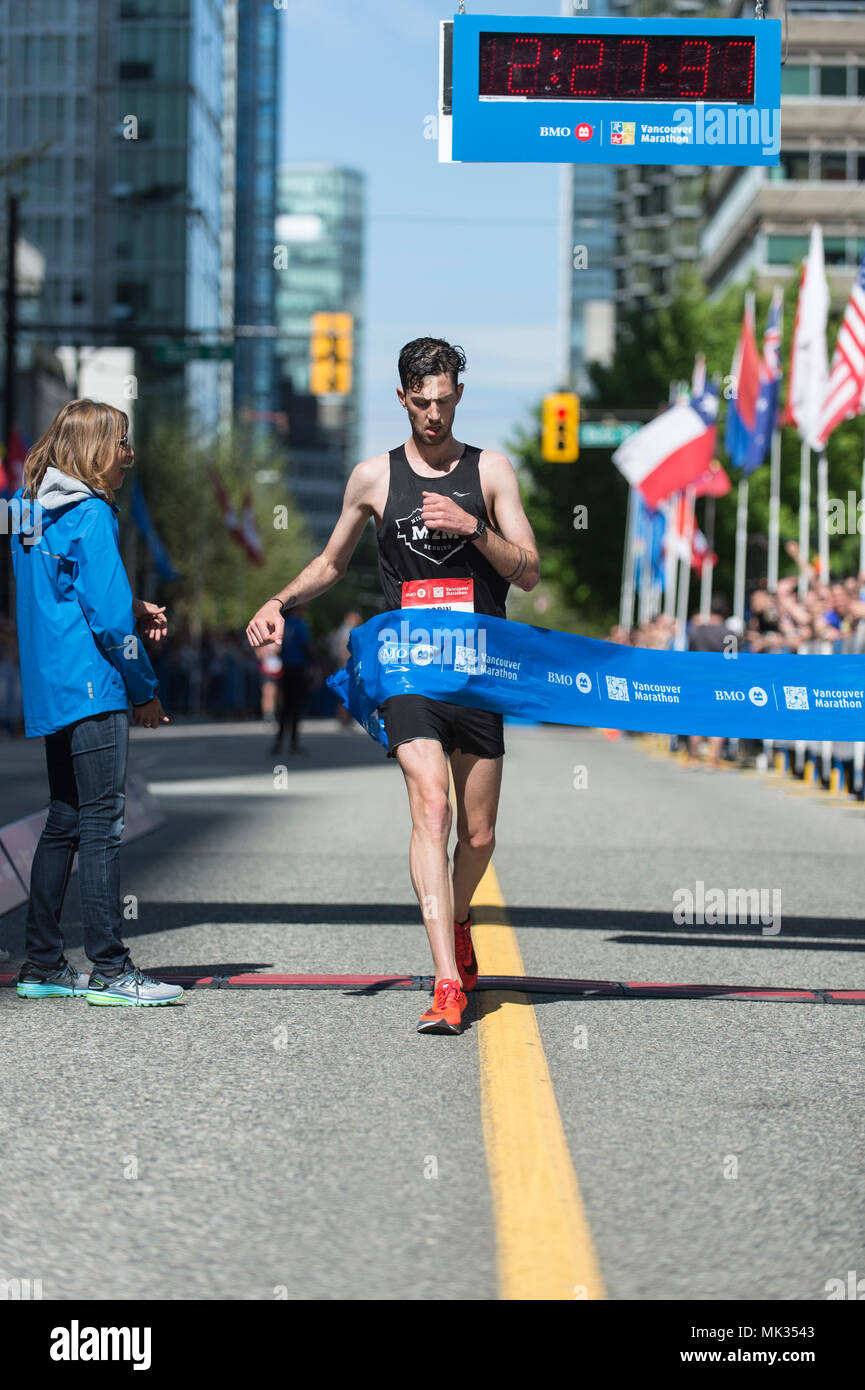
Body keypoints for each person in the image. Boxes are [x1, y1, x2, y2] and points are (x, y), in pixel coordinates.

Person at [246, 338, 539, 1035]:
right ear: (402, 398)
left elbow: (527, 572)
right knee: (430, 811)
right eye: (421, 402)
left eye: (444, 400)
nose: (433, 414)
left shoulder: (491, 470)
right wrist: (276, 603)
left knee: (477, 833)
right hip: (409, 668)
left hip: (477, 668)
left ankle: (461, 919)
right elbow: (328, 562)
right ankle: (445, 982)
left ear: (457, 396)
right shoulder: (372, 478)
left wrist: (474, 528)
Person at [10, 398, 184, 1006]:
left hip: (54, 686)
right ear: (94, 449)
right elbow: (109, 622)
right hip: (94, 684)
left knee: (63, 821)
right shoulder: (89, 513)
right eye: (122, 443)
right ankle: (111, 969)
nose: (128, 454)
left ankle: (42, 963)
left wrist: (130, 606)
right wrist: (146, 692)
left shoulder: (31, 513)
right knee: (102, 824)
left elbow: (63, 595)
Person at [271, 604, 311, 755]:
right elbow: (306, 646)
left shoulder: (283, 623)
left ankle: (279, 741)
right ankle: (294, 742)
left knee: (284, 706)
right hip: (298, 668)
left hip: (285, 668)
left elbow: (279, 648)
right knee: (296, 707)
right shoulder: (300, 625)